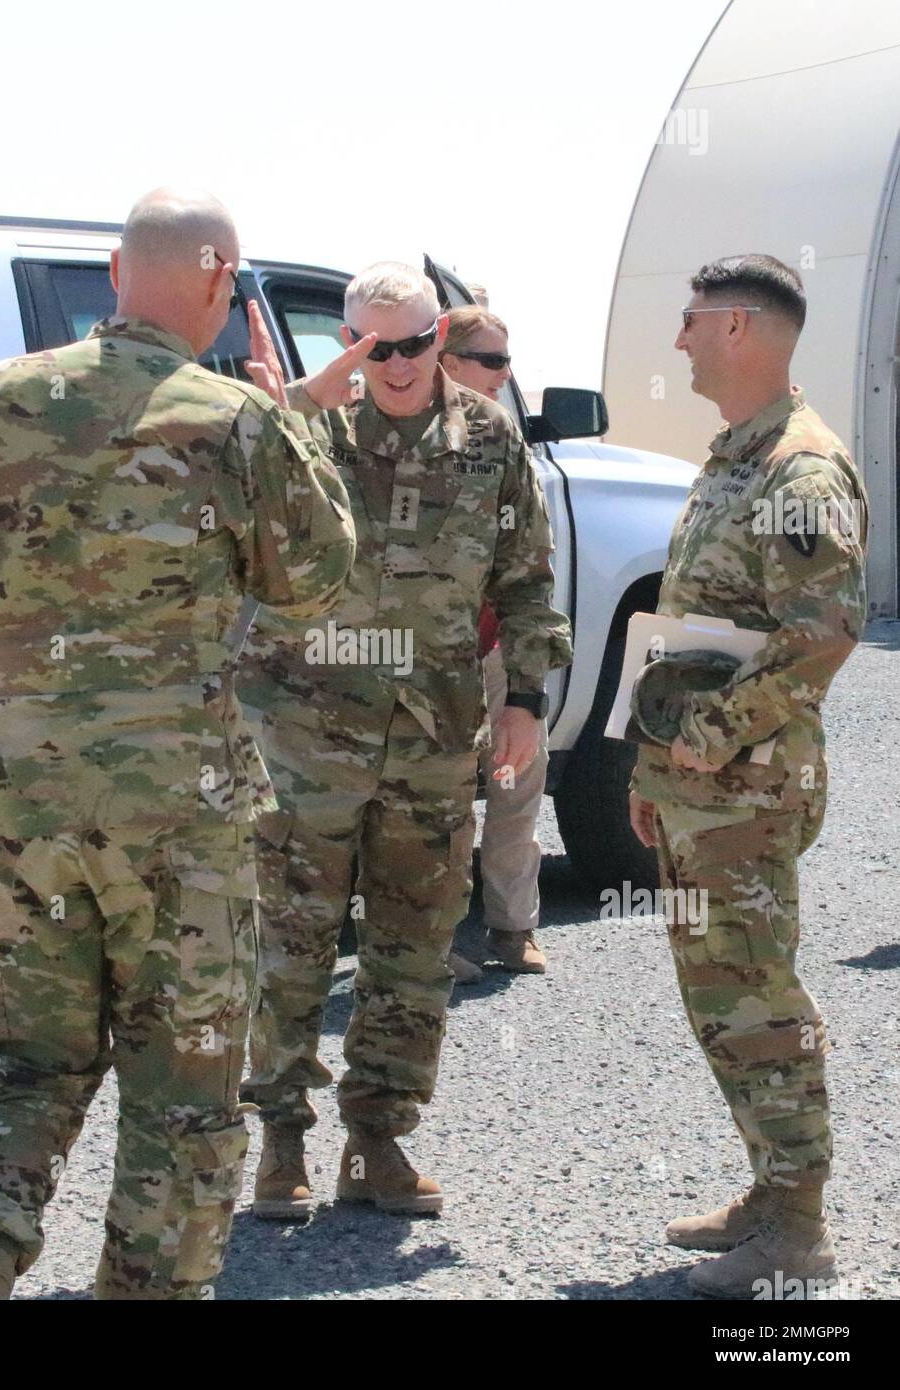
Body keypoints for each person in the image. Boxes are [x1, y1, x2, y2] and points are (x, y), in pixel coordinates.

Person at [0, 187, 365, 1299]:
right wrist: (297, 420)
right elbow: (318, 580)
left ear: (118, 278)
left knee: (21, 1063)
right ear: (221, 280)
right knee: (183, 1093)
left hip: (25, 810)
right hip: (184, 816)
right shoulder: (235, 419)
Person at [238, 263, 572, 1218]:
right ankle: (280, 1143)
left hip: (432, 734)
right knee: (291, 944)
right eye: (372, 345)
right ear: (349, 342)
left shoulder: (489, 437)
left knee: (414, 944)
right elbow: (216, 520)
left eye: (414, 343)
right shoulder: (305, 431)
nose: (393, 362)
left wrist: (526, 700)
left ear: (441, 339)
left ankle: (377, 1141)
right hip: (307, 737)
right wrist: (292, 410)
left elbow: (524, 574)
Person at [628, 254, 868, 1298]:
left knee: (755, 993)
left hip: (746, 784)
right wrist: (653, 766)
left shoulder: (798, 471)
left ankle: (798, 1228)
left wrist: (709, 737)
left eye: (688, 321)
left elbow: (824, 632)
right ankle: (768, 1192)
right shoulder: (735, 457)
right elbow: (694, 628)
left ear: (735, 327)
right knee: (715, 991)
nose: (675, 339)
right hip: (695, 784)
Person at [441, 306, 549, 976]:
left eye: (506, 360)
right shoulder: (390, 436)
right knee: (440, 796)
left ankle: (513, 929)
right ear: (446, 362)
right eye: (491, 360)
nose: (504, 374)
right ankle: (440, 936)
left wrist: (529, 683)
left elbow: (532, 557)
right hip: (429, 654)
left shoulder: (504, 440)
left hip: (498, 642)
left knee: (515, 781)